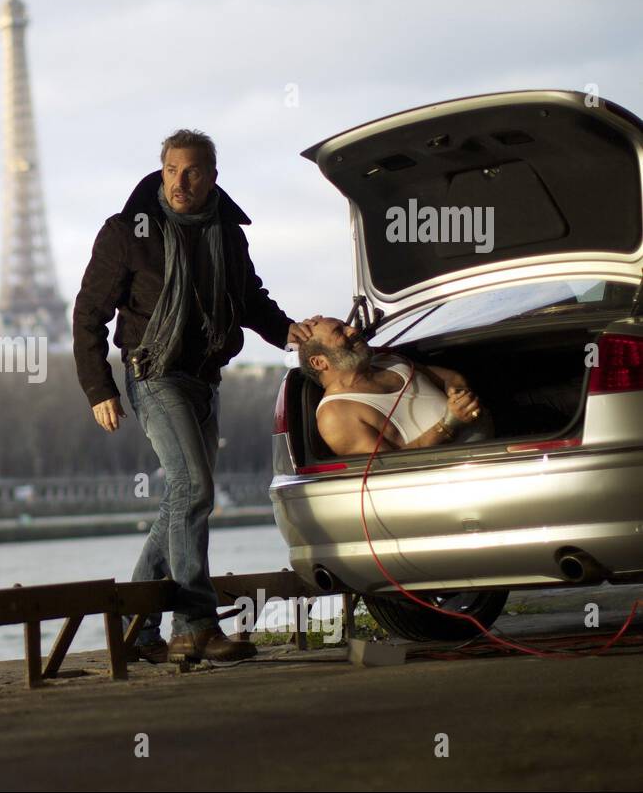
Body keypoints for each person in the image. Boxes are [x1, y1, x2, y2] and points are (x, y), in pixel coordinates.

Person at [73, 128, 317, 664]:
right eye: (171, 171)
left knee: (181, 499)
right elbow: (89, 314)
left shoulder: (227, 232)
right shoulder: (127, 231)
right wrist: (98, 388)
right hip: (152, 373)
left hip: (204, 377)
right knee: (195, 486)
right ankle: (195, 626)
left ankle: (133, 629)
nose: (180, 182)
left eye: (192, 172)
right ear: (160, 171)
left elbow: (249, 297)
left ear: (212, 177)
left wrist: (288, 332)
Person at [298, 316, 492, 455]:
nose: (353, 330)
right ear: (319, 362)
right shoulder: (335, 414)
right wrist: (448, 425)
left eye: (346, 324)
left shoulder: (387, 360)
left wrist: (458, 396)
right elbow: (384, 469)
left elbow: (450, 377)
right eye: (339, 331)